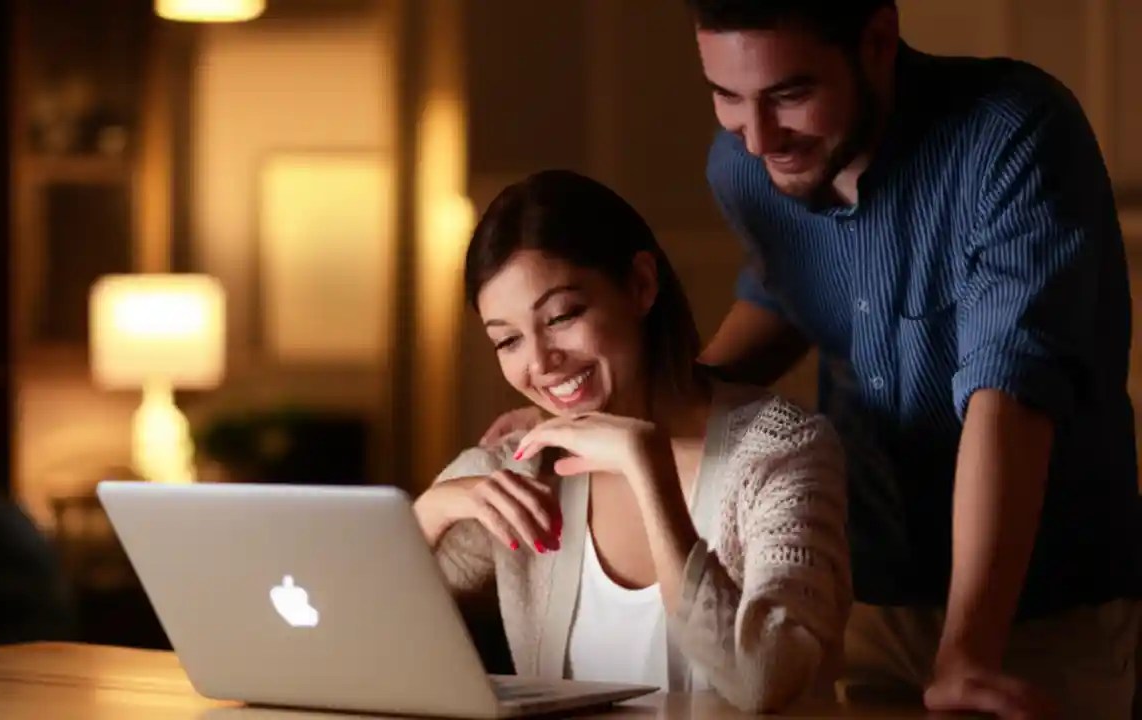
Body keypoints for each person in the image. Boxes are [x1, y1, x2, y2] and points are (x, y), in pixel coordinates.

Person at [482, 2, 1140, 718]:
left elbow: (1009, 393)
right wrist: (628, 408)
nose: (758, 136)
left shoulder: (1012, 133)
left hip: (1037, 610)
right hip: (868, 585)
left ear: (878, 40)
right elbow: (785, 298)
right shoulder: (744, 165)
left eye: (790, 94)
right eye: (727, 97)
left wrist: (967, 650)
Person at [415, 169, 850, 713]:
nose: (539, 362)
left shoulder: (783, 452)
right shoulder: (519, 469)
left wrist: (646, 470)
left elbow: (762, 680)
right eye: (506, 341)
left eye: (563, 315)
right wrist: (428, 513)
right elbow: (357, 640)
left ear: (641, 284)